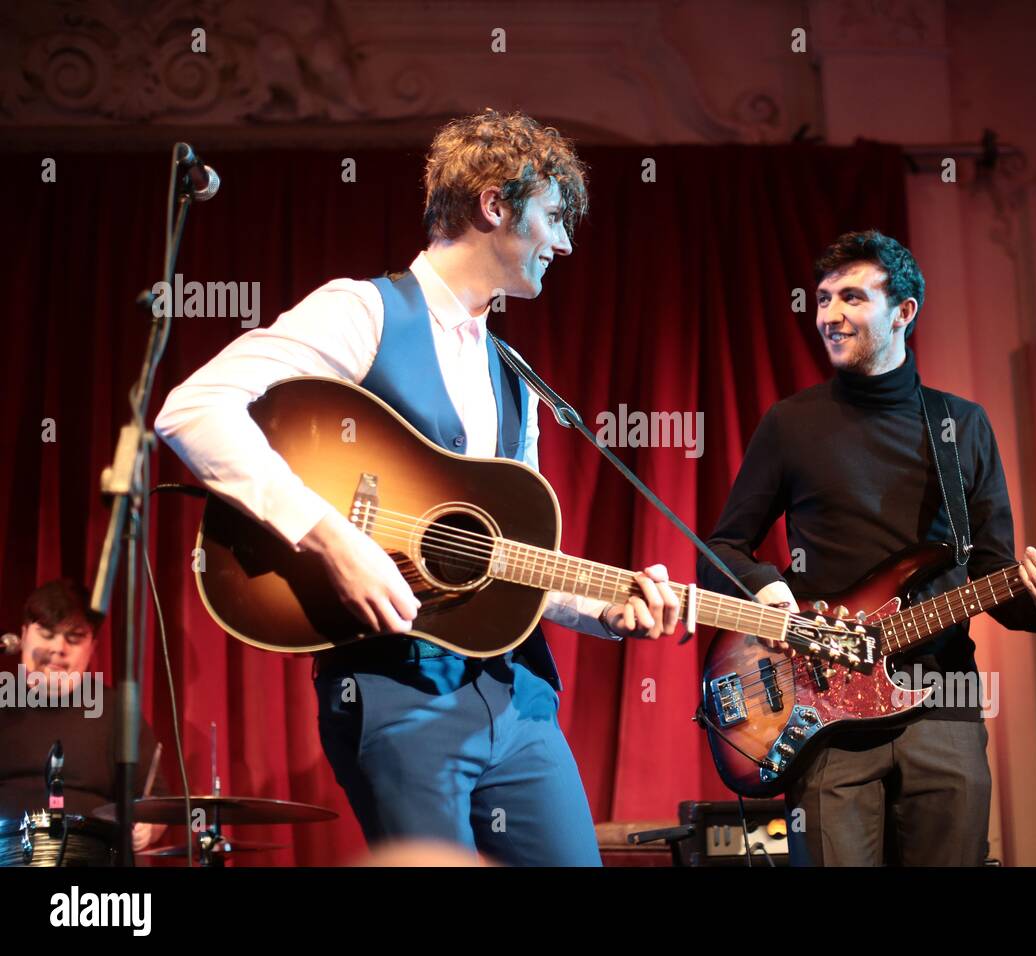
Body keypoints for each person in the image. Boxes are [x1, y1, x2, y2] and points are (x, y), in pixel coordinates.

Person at [155, 110, 680, 865]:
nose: (564, 244)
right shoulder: (363, 311)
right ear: (495, 206)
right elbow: (192, 409)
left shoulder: (513, 379)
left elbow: (506, 560)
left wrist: (607, 607)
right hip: (395, 695)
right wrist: (333, 538)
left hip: (518, 698)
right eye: (554, 218)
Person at [698, 230, 1036, 866]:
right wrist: (774, 600)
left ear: (904, 312)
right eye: (822, 300)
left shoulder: (962, 425)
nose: (829, 315)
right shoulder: (792, 424)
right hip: (827, 719)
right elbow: (719, 550)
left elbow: (990, 576)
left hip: (944, 709)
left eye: (851, 297)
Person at [0, 579, 167, 851]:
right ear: (22, 635)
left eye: (74, 637)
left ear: (92, 647)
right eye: (46, 633)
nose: (58, 649)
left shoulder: (116, 709)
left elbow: (155, 801)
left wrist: (148, 827)